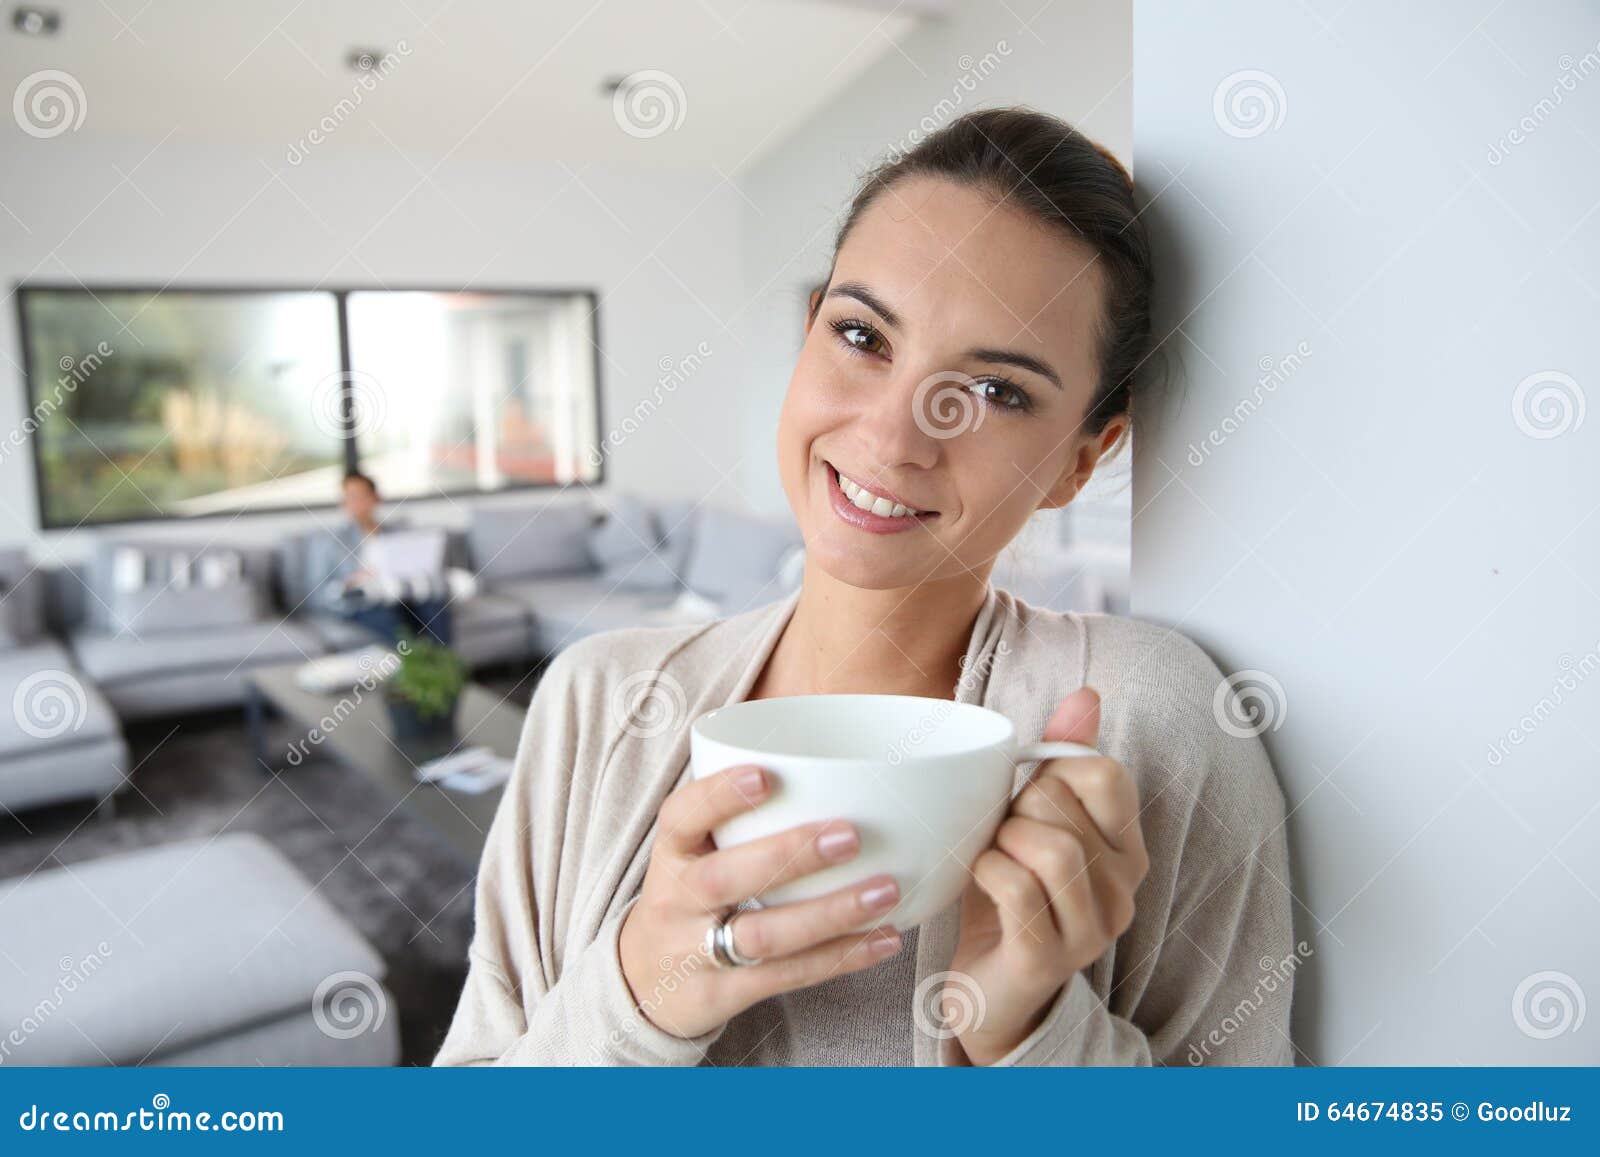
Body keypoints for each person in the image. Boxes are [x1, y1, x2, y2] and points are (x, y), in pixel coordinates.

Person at [434, 108, 1295, 1067]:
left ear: (1079, 462)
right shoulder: (599, 698)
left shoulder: (1152, 722)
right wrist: (636, 996)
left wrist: (1029, 1036)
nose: (893, 435)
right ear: (809, 331)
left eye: (998, 391)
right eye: (862, 335)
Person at [306, 471, 453, 647]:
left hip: (399, 594)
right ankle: (416, 660)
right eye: (349, 497)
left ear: (375, 498)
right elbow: (319, 592)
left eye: (360, 496)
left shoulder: (395, 532)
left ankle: (446, 662)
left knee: (434, 606)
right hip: (363, 602)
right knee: (395, 624)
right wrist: (350, 583)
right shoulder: (333, 540)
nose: (354, 502)